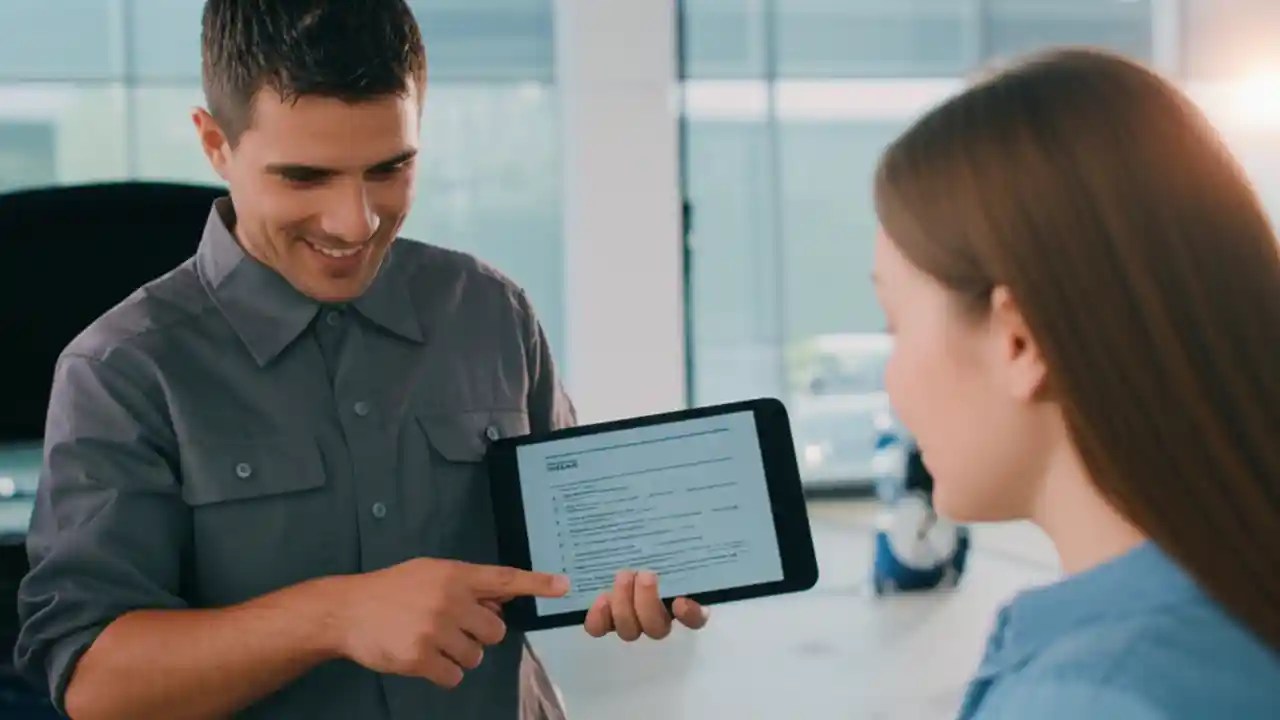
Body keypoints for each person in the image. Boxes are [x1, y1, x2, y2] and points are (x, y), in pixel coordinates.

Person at [13, 2, 706, 718]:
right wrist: (335, 617)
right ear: (216, 144)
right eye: (305, 178)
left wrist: (628, 583)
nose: (357, 222)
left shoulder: (492, 311)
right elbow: (96, 682)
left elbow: (569, 557)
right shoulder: (122, 370)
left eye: (390, 168)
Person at [870, 48, 1280, 718]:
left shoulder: (1090, 695)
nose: (892, 381)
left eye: (894, 323)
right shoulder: (1230, 606)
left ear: (1019, 340)